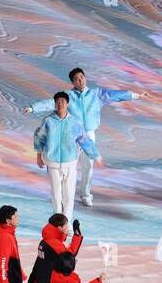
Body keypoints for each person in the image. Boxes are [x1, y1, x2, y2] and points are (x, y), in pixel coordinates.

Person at [25, 68, 147, 209]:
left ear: (85, 77)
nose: (80, 80)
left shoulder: (96, 95)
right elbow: (51, 103)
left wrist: (136, 95)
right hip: (71, 134)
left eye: (82, 77)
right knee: (69, 165)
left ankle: (85, 194)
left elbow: (115, 95)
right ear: (72, 82)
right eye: (77, 79)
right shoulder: (68, 96)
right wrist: (33, 108)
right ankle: (62, 196)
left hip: (88, 135)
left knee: (88, 165)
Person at [32, 92, 101, 220]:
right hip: (52, 163)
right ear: (54, 104)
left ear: (67, 104)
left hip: (70, 163)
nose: (60, 104)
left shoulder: (75, 122)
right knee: (56, 195)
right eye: (57, 102)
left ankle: (66, 222)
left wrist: (95, 155)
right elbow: (39, 137)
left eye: (63, 102)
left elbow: (84, 139)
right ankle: (57, 222)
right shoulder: (48, 121)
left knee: (69, 196)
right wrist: (38, 156)